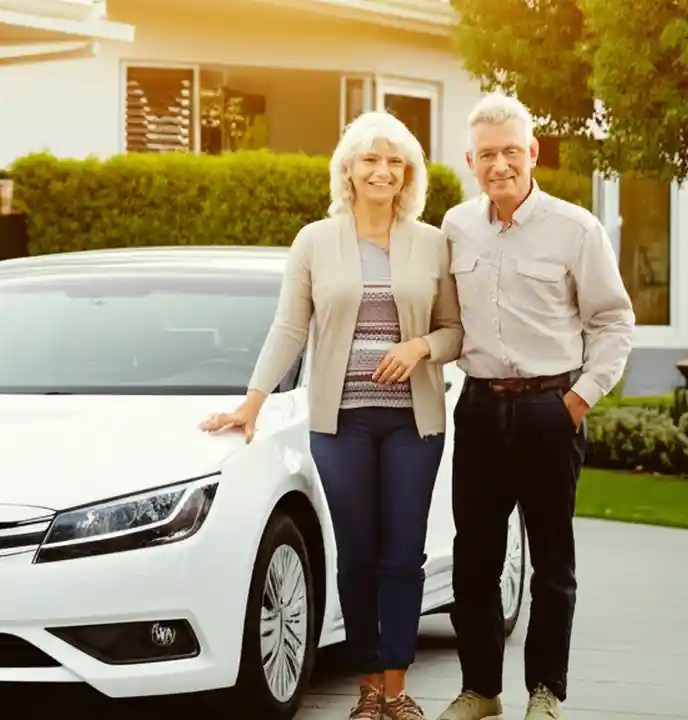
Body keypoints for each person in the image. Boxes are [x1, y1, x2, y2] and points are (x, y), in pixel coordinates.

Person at [201, 111, 463, 720]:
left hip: (413, 426)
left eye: (395, 161)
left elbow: (454, 330)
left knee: (404, 555)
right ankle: (369, 688)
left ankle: (397, 690)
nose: (383, 171)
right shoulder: (316, 241)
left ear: (409, 174)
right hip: (340, 424)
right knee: (358, 554)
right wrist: (253, 400)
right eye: (371, 159)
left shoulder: (431, 244)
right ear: (348, 169)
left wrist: (421, 346)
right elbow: (291, 326)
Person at [435, 93, 635, 720]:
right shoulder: (455, 226)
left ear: (533, 153)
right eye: (488, 154)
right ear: (471, 160)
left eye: (511, 151)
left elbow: (614, 321)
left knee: (552, 564)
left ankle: (545, 692)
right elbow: (443, 317)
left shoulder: (577, 229)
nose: (501, 164)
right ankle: (481, 691)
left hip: (551, 409)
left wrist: (578, 399)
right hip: (480, 409)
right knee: (474, 561)